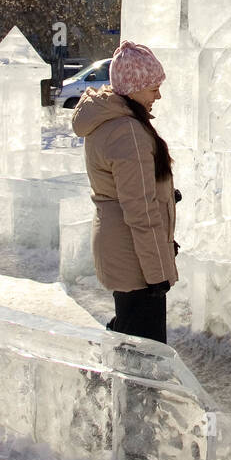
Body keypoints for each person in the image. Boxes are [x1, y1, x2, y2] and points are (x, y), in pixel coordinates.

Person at [72, 40, 178, 344]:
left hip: (121, 246)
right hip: (135, 258)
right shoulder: (128, 132)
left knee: (130, 329)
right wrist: (157, 272)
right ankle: (117, 386)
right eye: (152, 87)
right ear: (133, 87)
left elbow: (126, 190)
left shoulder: (111, 121)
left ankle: (110, 374)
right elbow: (140, 211)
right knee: (144, 351)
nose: (158, 94)